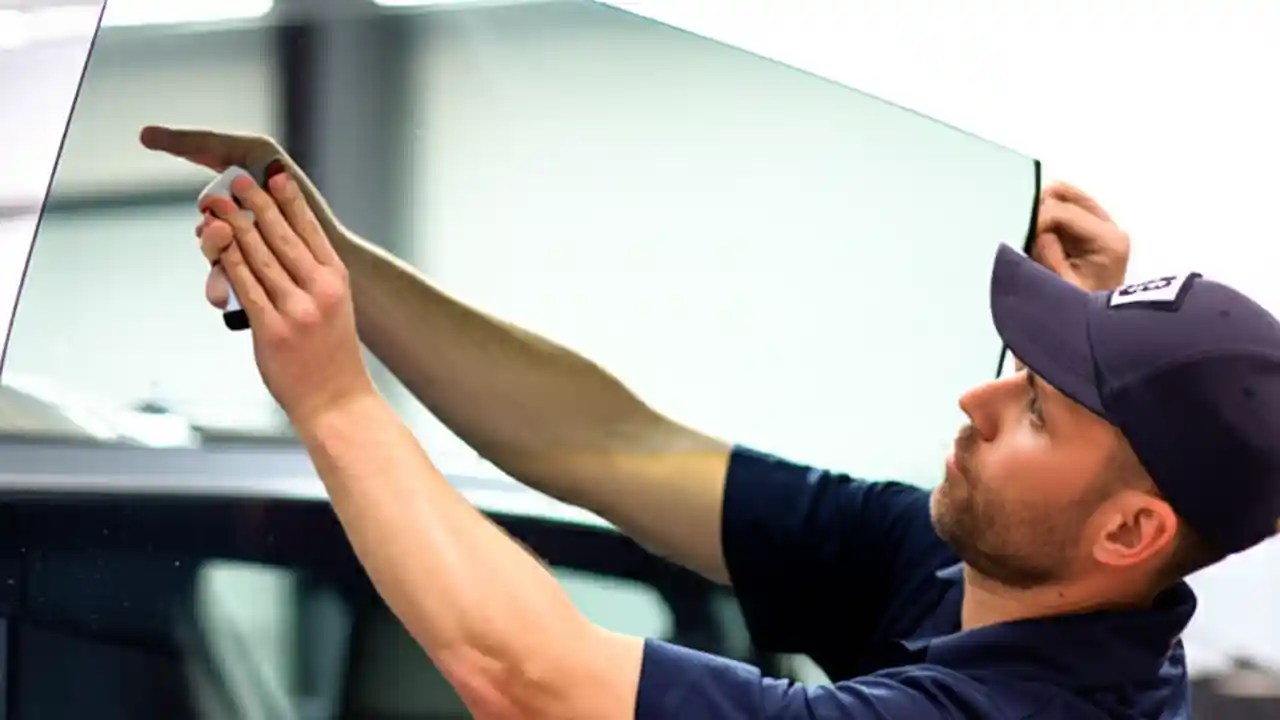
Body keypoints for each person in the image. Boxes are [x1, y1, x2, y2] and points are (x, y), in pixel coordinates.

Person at [141, 125, 1280, 719]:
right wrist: (330, 265)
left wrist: (333, 397)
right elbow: (612, 444)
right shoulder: (968, 571)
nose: (972, 400)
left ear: (1128, 532)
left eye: (1030, 405)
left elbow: (526, 679)